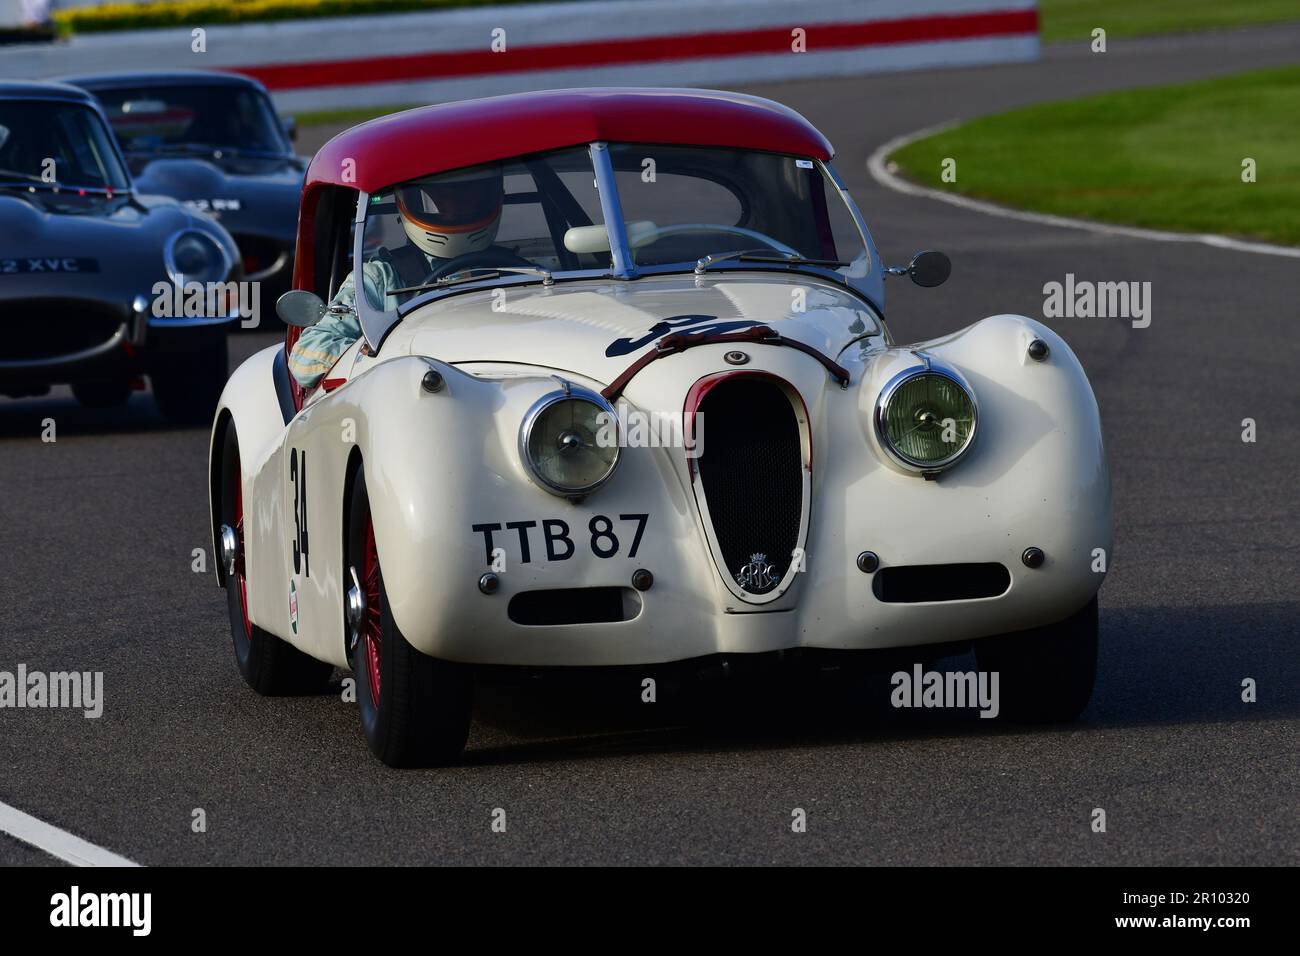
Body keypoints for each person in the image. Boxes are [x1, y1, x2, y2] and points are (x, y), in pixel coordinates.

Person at [288, 167, 505, 389]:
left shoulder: (529, 274)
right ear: (406, 203)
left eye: (468, 197)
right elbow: (307, 354)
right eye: (438, 199)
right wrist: (391, 358)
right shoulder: (380, 279)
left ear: (494, 198)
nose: (452, 209)